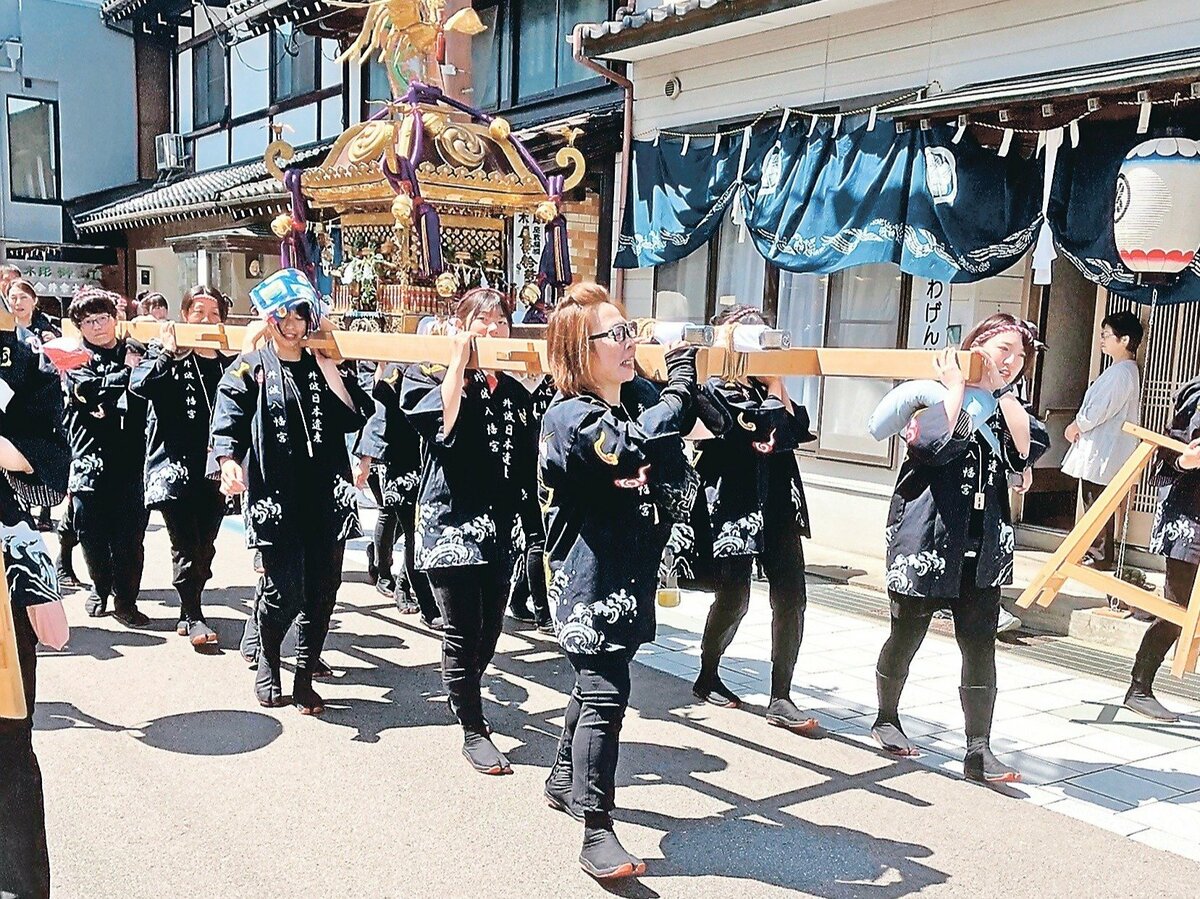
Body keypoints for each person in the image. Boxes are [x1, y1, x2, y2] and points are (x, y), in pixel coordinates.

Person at [539, 282, 699, 880]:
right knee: (606, 693)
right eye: (616, 334)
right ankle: (595, 829)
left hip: (627, 573)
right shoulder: (570, 416)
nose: (629, 343)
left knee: (593, 684)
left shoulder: (628, 399)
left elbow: (684, 420)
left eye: (630, 330)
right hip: (586, 580)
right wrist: (679, 383)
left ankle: (563, 775)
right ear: (581, 348)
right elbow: (632, 446)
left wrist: (679, 369)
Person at [870, 314, 1049, 784]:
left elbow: (1023, 454)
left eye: (1020, 355)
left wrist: (1003, 393)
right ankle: (886, 717)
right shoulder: (931, 394)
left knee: (979, 646)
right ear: (977, 344)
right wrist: (954, 386)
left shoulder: (1008, 408)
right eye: (1002, 349)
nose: (1010, 361)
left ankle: (978, 749)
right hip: (926, 538)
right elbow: (931, 444)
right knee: (906, 635)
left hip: (982, 544)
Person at [210, 270, 372, 714]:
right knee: (284, 590)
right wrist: (227, 462)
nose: (293, 325)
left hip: (325, 494)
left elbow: (356, 416)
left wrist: (330, 366)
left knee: (323, 589)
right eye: (283, 315)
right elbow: (228, 417)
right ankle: (267, 657)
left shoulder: (327, 363)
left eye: (301, 315)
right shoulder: (251, 366)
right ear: (270, 319)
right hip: (275, 491)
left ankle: (304, 674)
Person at [400, 288, 534, 775]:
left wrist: (532, 526)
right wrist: (457, 362)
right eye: (484, 321)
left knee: (491, 629)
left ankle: (463, 693)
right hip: (449, 521)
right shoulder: (429, 374)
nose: (495, 330)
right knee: (461, 629)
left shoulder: (516, 392)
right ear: (461, 325)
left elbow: (525, 464)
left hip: (499, 525)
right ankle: (473, 729)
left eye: (502, 322)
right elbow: (444, 424)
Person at [690, 305, 819, 732]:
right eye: (748, 337)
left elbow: (797, 428)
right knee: (734, 599)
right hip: (733, 501)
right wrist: (770, 402)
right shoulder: (711, 387)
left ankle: (781, 695)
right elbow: (744, 427)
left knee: (792, 596)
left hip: (779, 499)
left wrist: (777, 382)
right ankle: (707, 675)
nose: (758, 345)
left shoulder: (769, 387)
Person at [0, 316, 70, 899]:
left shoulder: (18, 358)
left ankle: (22, 885)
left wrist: (13, 453)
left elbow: (52, 461)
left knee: (7, 740)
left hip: (1, 569)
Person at [130, 286, 232, 648]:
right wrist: (169, 356)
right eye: (198, 313)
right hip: (172, 464)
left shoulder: (229, 363)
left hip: (215, 465)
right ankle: (193, 614)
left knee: (205, 545)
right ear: (184, 315)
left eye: (214, 313)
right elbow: (139, 386)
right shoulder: (166, 352)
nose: (205, 320)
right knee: (185, 543)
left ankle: (191, 605)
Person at [64, 287, 151, 626]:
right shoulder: (74, 357)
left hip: (132, 458)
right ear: (79, 327)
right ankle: (100, 588)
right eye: (88, 321)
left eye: (103, 318)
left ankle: (127, 600)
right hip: (89, 458)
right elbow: (88, 391)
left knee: (130, 537)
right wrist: (126, 374)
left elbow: (146, 382)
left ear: (115, 320)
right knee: (92, 533)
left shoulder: (137, 350)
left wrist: (117, 381)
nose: (97, 326)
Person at [1124, 377, 1200, 722]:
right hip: (1190, 516)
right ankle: (1139, 688)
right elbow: (1171, 453)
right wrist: (1187, 460)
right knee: (1177, 608)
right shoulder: (1195, 394)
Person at [354, 361, 440, 626]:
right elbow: (379, 411)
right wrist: (366, 457)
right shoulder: (400, 369)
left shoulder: (451, 368)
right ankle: (406, 590)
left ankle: (402, 580)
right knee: (402, 525)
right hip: (401, 462)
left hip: (432, 462)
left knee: (419, 533)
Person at [1062, 311, 1144, 571]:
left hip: (1105, 449)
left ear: (1124, 340)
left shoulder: (1122, 373)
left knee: (1097, 501)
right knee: (1096, 500)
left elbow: (1099, 410)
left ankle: (1099, 556)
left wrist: (1078, 425)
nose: (1102, 340)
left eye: (1106, 335)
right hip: (1104, 447)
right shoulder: (1121, 371)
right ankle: (1098, 553)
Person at [6, 278, 61, 344]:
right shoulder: (4, 329)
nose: (18, 303)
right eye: (13, 298)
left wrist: (54, 342)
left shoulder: (47, 325)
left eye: (23, 297)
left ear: (34, 300)